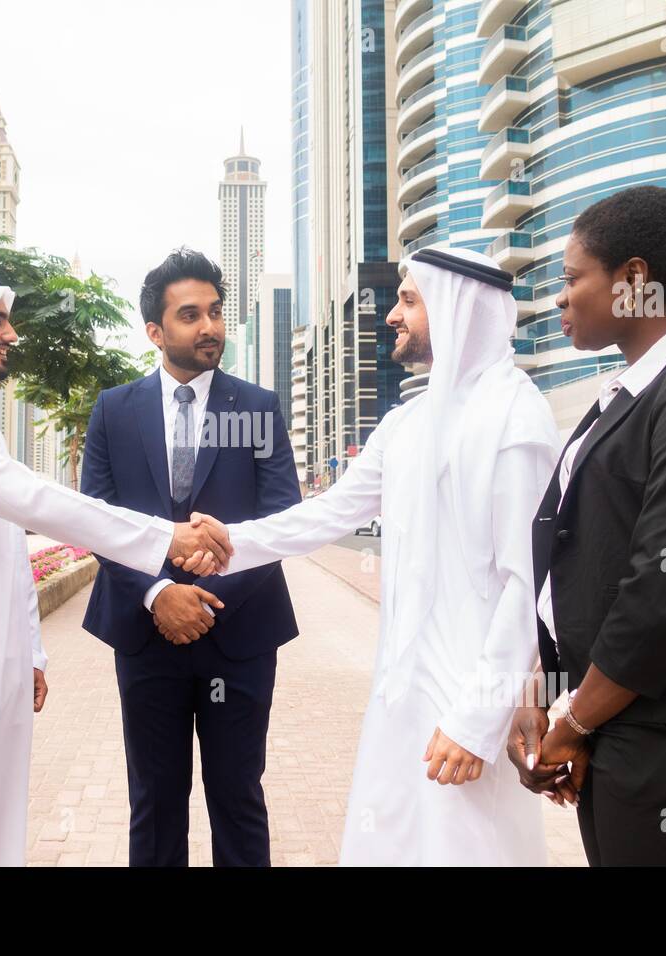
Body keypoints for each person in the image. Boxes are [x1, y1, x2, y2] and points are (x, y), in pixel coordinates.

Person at [186, 247, 560, 865]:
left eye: (409, 300)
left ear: (456, 311)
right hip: (402, 696)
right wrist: (232, 542)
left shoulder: (515, 419)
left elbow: (528, 586)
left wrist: (479, 716)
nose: (391, 314)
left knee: (468, 848)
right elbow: (329, 514)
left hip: (469, 704)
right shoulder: (407, 424)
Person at [0, 270, 230, 866]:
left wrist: (30, 651)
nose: (10, 333)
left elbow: (9, 547)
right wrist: (165, 537)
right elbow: (38, 502)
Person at [507, 184, 666, 866]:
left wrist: (575, 717)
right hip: (619, 718)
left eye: (571, 279)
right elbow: (581, 570)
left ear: (634, 280)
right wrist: (546, 690)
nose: (560, 298)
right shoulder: (625, 396)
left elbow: (657, 589)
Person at [79, 249, 302, 866]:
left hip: (240, 633)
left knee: (237, 798)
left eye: (215, 312)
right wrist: (158, 594)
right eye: (189, 315)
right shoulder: (113, 411)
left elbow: (280, 520)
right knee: (154, 800)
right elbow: (97, 521)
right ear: (155, 331)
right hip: (146, 637)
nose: (209, 327)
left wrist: (207, 598)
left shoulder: (256, 407)